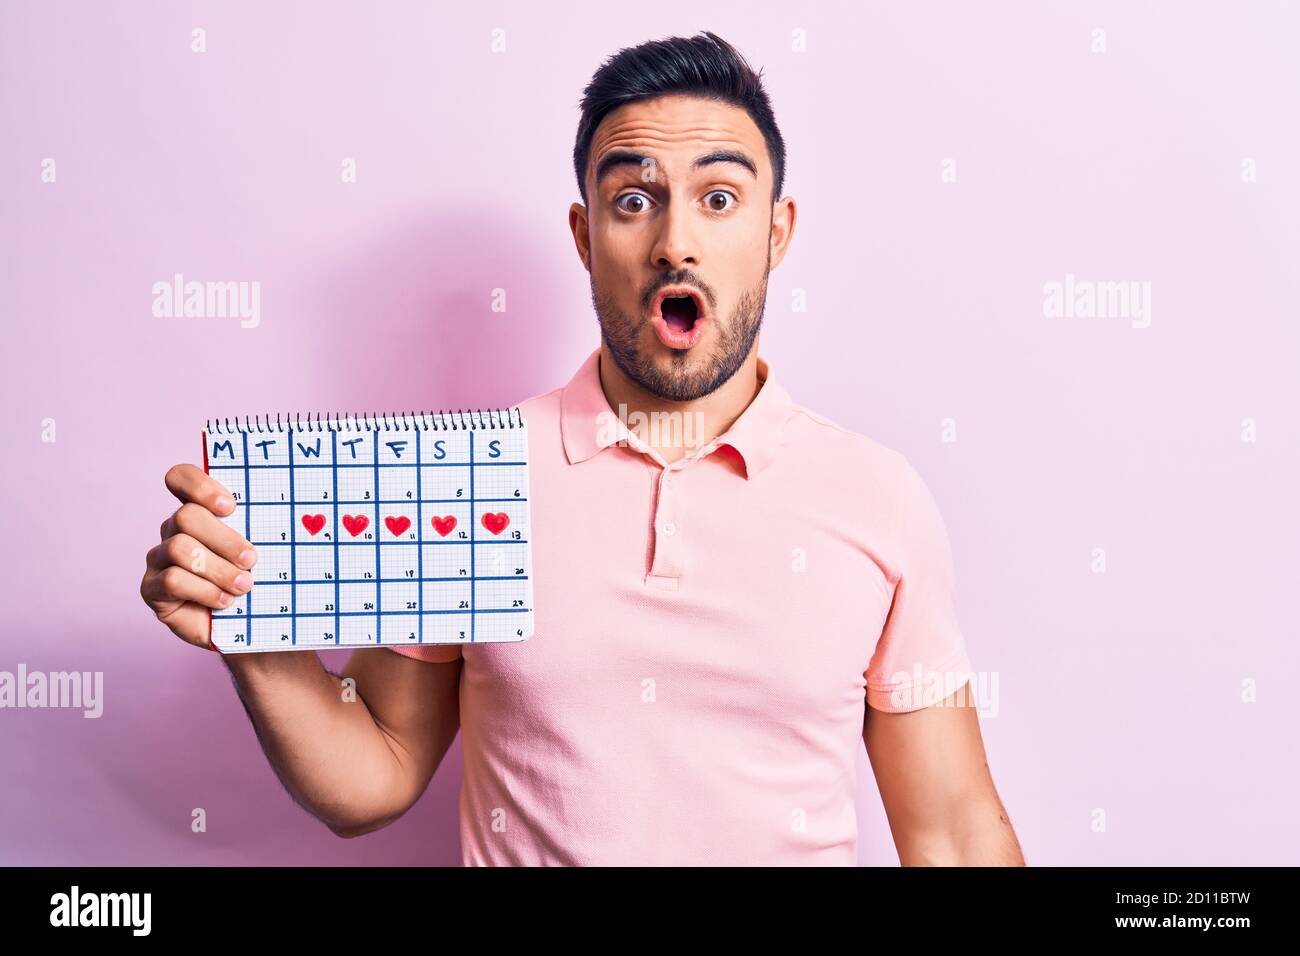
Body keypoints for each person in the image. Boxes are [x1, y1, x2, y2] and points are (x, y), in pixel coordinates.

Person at [140, 31, 1024, 866]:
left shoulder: (879, 500)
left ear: (777, 232)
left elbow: (950, 833)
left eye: (719, 199)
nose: (676, 242)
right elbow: (375, 769)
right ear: (584, 235)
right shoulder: (468, 474)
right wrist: (249, 629)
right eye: (633, 200)